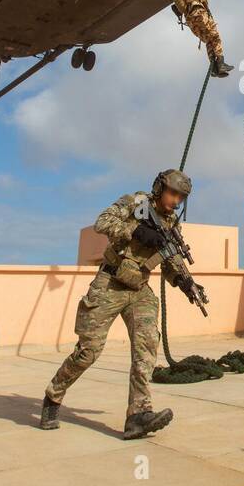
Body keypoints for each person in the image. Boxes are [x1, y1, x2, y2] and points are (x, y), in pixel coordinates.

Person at [39, 169, 205, 438]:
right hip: (110, 283)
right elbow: (102, 222)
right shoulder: (137, 202)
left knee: (147, 346)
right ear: (160, 188)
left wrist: (186, 283)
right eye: (173, 193)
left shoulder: (172, 224)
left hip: (139, 287)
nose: (176, 201)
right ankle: (53, 396)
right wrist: (136, 231)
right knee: (88, 352)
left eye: (181, 197)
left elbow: (170, 261)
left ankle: (138, 415)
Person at [172, 0, 233, 77]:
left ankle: (213, 68)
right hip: (199, 12)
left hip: (190, 20)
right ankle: (221, 64)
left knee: (208, 40)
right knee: (215, 37)